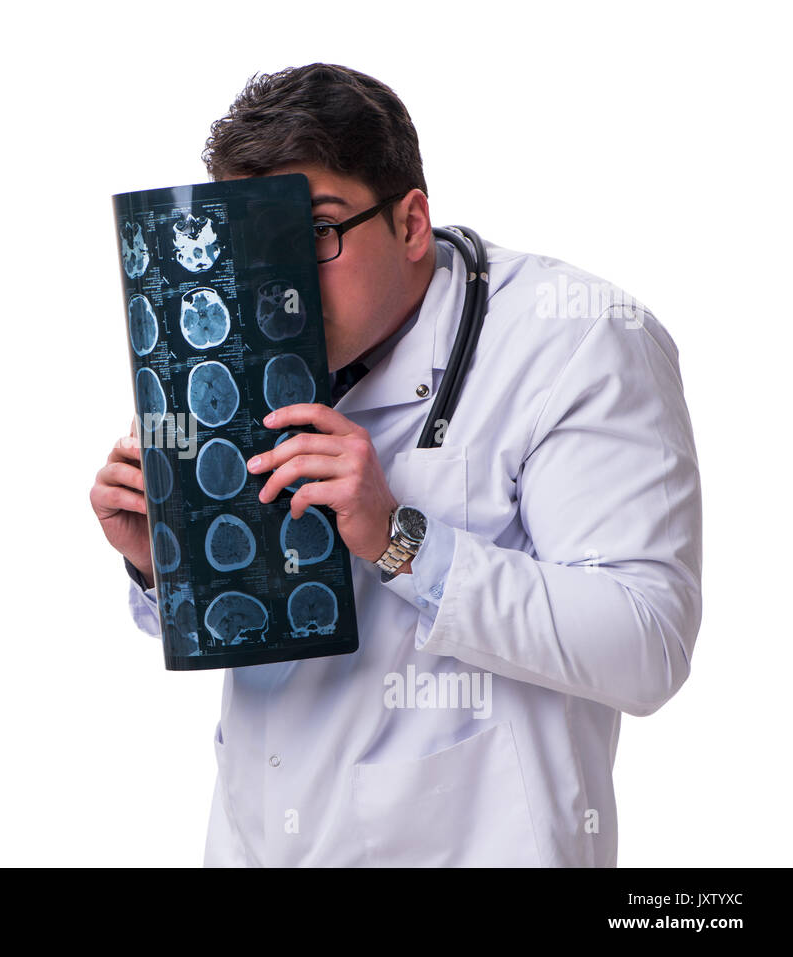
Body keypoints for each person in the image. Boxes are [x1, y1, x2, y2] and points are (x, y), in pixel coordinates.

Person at [88, 63, 703, 867]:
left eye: (315, 233)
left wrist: (399, 538)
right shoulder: (243, 351)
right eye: (257, 241)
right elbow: (262, 615)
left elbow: (645, 644)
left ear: (411, 223)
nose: (281, 287)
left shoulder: (576, 342)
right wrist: (162, 563)